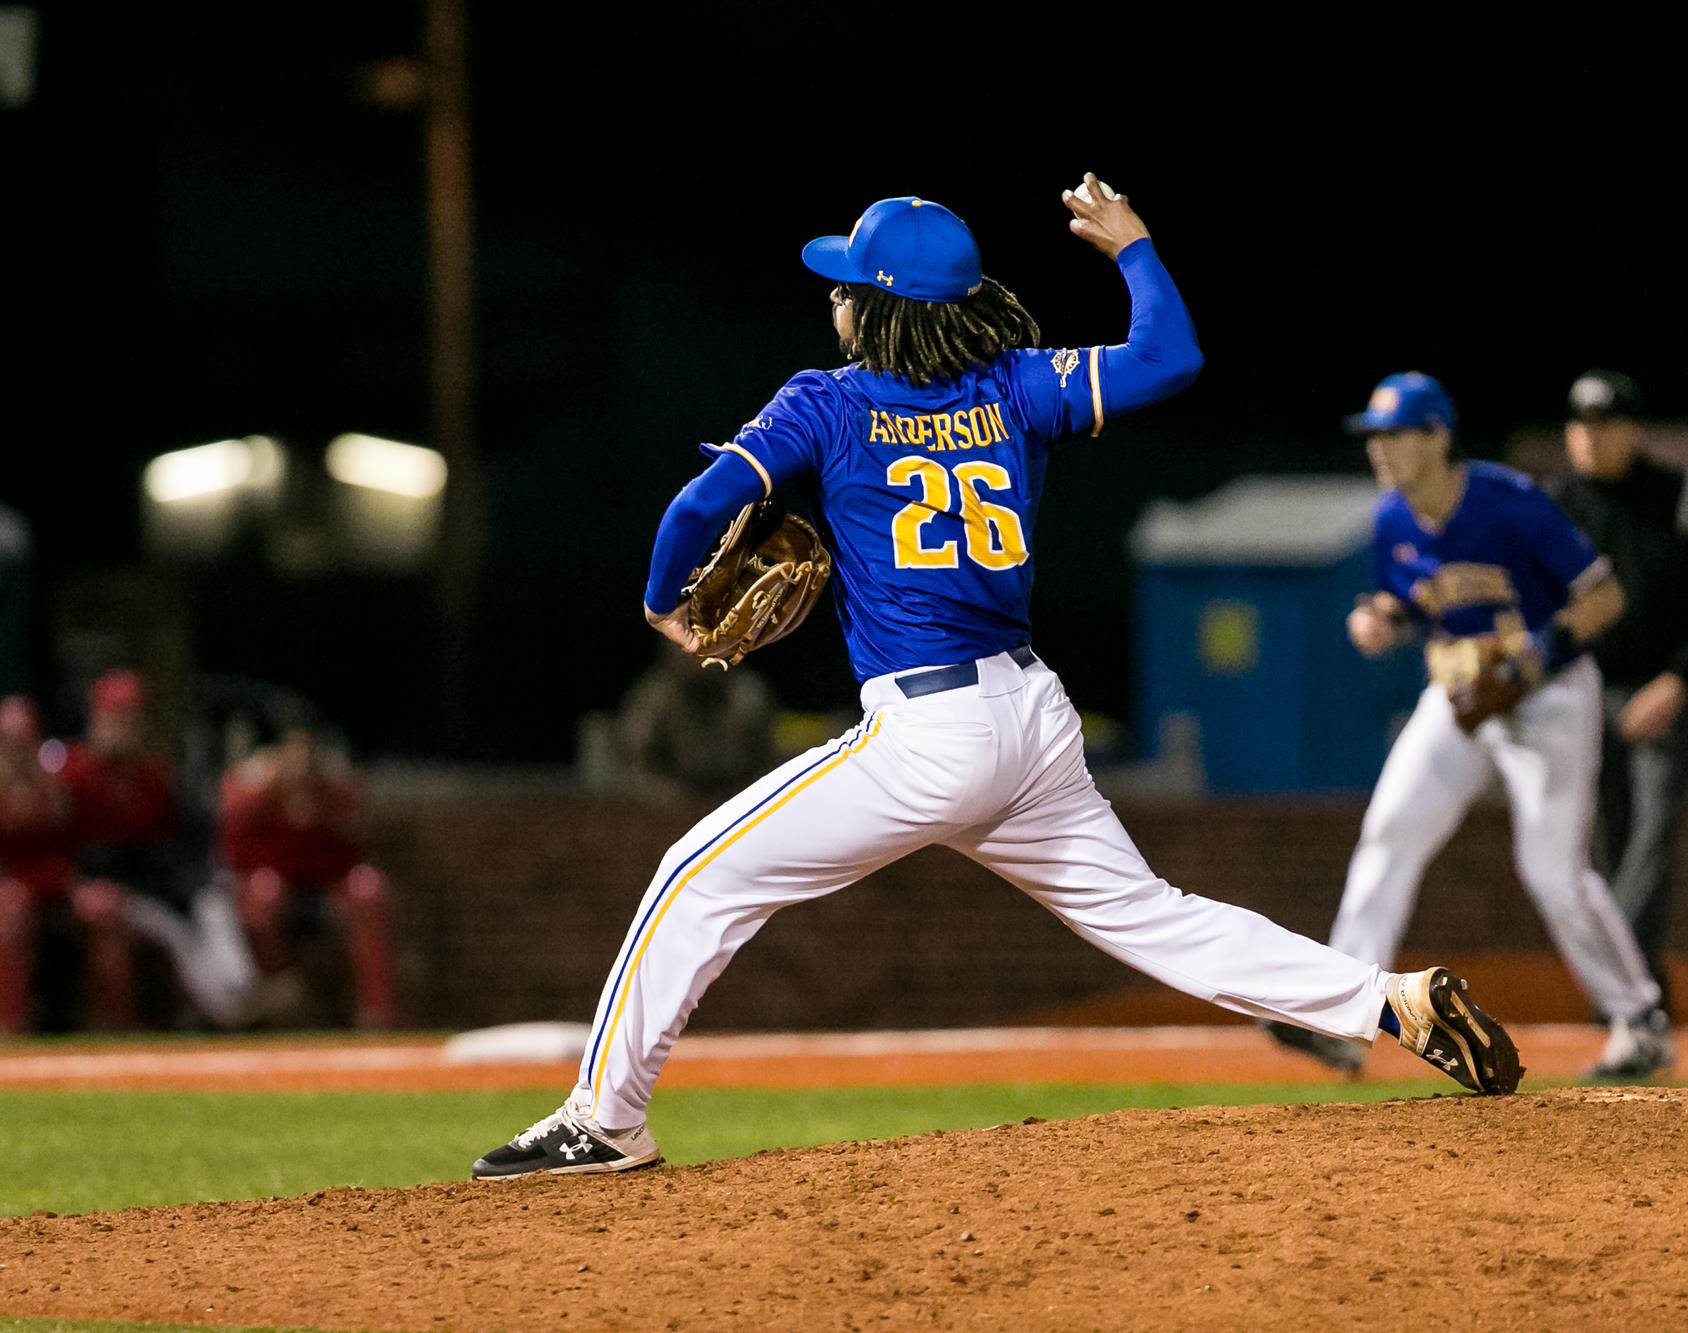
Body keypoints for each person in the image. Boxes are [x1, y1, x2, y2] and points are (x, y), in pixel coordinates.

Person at [472, 178, 1524, 1180]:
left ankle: (603, 1122)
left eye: (848, 286)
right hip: (1031, 719)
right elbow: (1171, 357)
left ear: (875, 309)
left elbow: (695, 510)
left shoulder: (824, 403)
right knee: (1152, 914)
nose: (834, 299)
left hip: (929, 735)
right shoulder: (1017, 384)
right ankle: (1388, 1002)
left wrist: (663, 601)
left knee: (692, 876)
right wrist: (1134, 248)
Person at [1262, 372, 1670, 1082]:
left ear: (1439, 436)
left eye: (1394, 434)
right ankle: (1339, 1015)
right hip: (1459, 699)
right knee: (1389, 831)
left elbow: (1605, 595)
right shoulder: (1390, 518)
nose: (1379, 449)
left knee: (1553, 872)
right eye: (1373, 436)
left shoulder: (1507, 501)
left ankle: (1640, 1019)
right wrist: (1387, 619)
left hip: (1549, 697)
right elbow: (1415, 601)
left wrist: (1539, 652)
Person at [1552, 370, 1688, 1022]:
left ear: (1633, 429)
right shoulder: (1559, 504)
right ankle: (1645, 997)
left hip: (1665, 695)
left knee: (1653, 835)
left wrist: (1678, 681)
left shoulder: (1682, 494)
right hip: (1585, 696)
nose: (1591, 438)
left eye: (1604, 424)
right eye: (1580, 425)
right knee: (1602, 846)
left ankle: (1615, 987)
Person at [58, 670, 257, 1028]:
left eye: (132, 718)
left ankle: (246, 992)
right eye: (116, 717)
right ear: (96, 718)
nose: (124, 727)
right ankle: (229, 1011)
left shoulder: (151, 776)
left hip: (154, 884)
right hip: (108, 887)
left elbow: (183, 840)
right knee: (177, 933)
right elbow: (54, 844)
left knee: (212, 905)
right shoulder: (72, 771)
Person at [217, 719, 393, 1028]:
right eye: (292, 751)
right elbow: (232, 848)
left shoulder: (335, 792)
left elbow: (357, 845)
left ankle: (376, 1012)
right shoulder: (255, 790)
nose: (300, 762)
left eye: (307, 751)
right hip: (277, 894)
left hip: (325, 890)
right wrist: (259, 787)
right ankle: (276, 997)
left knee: (369, 888)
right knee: (263, 891)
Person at [0, 695, 131, 1031]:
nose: (17, 749)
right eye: (9, 741)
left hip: (58, 890)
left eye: (24, 740)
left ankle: (111, 1029)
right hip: (12, 893)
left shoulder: (60, 782)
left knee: (105, 907)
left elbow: (85, 840)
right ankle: (11, 1029)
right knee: (11, 911)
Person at [615, 640, 777, 799]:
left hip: (733, 793)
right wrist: (677, 798)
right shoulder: (653, 697)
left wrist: (736, 798)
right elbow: (635, 765)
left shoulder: (747, 694)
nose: (697, 660)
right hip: (671, 798)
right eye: (687, 650)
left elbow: (766, 762)